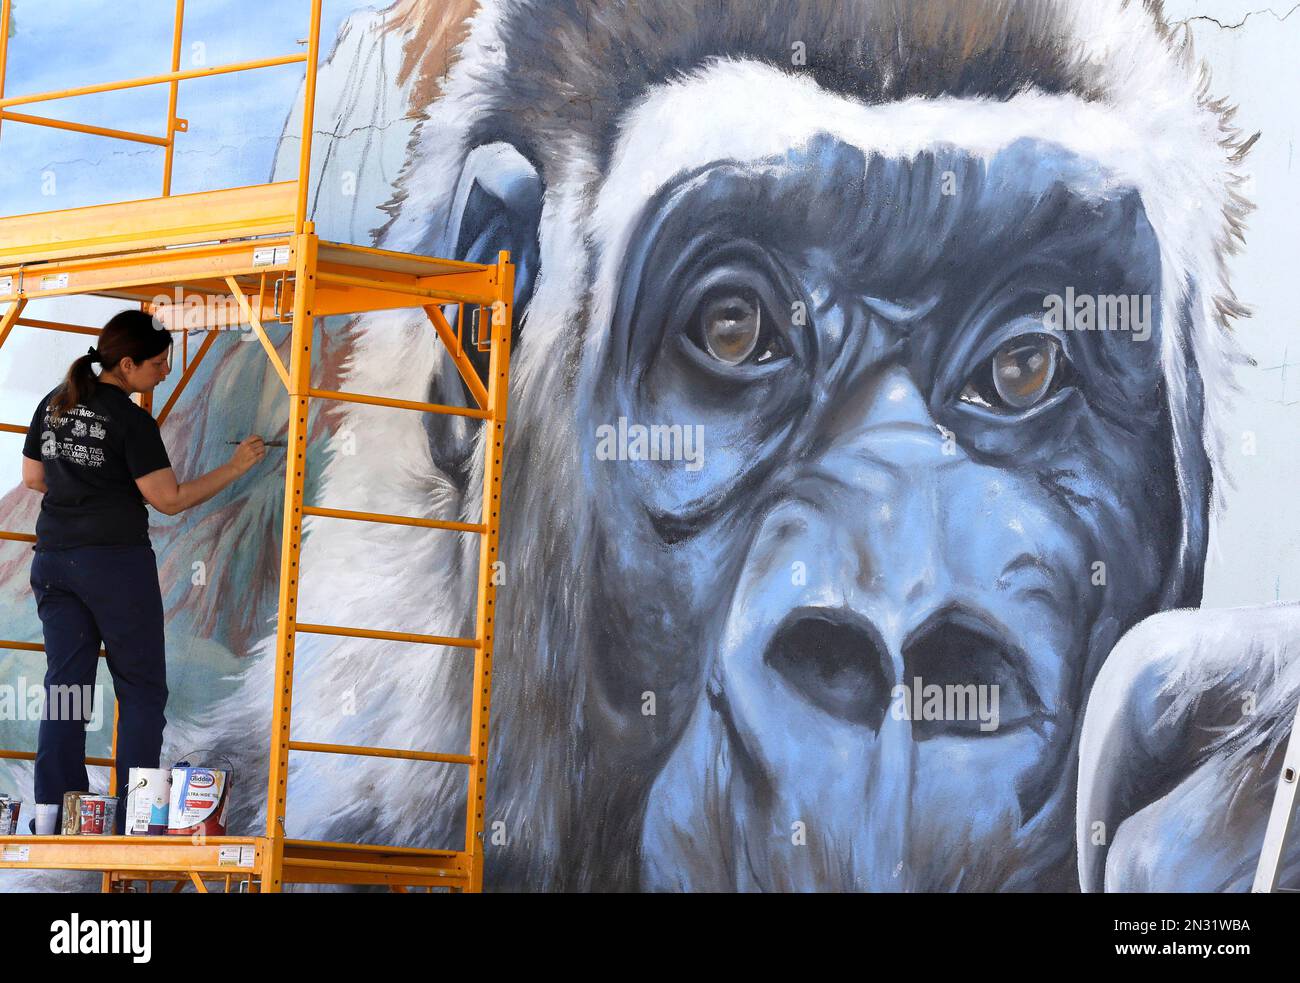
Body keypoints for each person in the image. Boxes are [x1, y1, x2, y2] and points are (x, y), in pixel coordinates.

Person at [19, 309, 266, 834]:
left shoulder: (54, 403)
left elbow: (33, 478)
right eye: (158, 363)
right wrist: (238, 467)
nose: (167, 372)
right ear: (126, 364)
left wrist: (82, 492)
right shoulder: (131, 422)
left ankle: (50, 813)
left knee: (67, 687)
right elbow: (170, 501)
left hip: (55, 561)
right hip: (114, 565)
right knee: (141, 688)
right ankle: (138, 813)